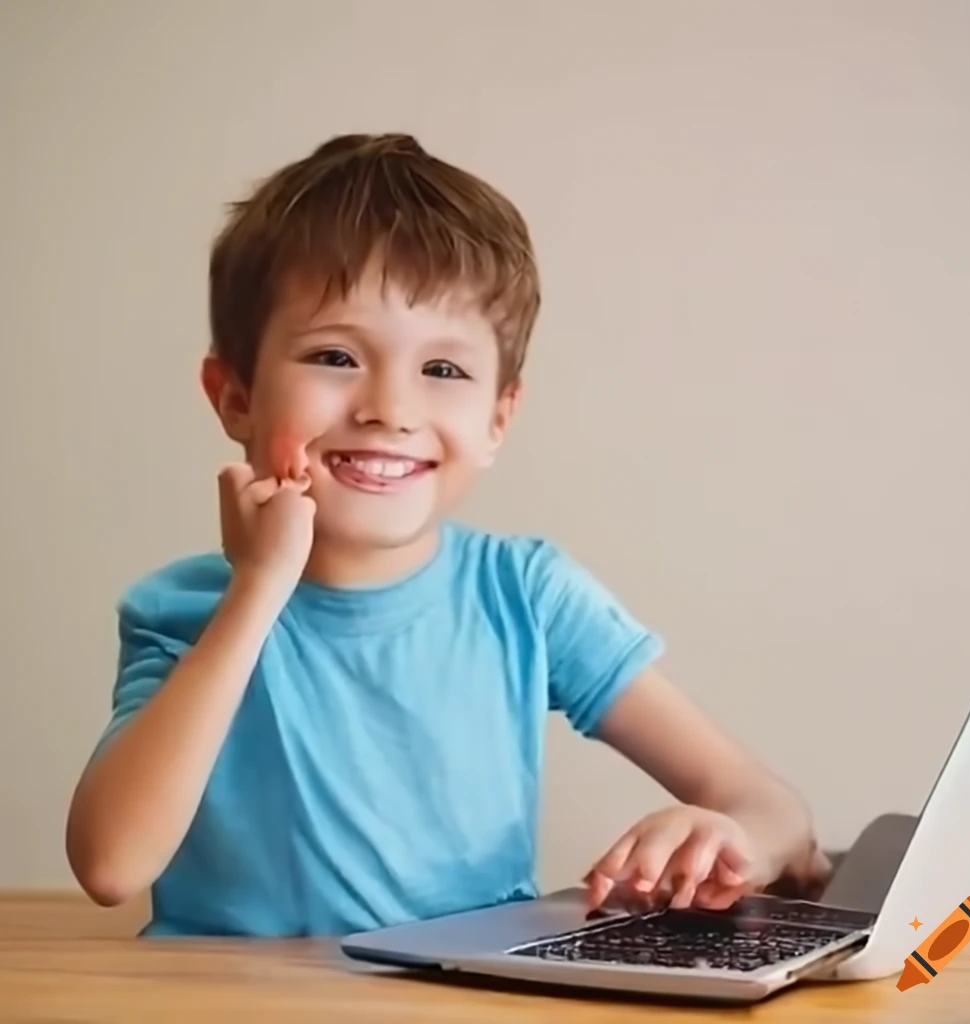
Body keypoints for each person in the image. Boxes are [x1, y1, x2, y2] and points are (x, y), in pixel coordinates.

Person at [65, 133, 831, 937]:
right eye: (335, 355)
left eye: (443, 371)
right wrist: (256, 591)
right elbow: (113, 866)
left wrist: (730, 836)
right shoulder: (181, 610)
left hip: (460, 999)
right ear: (236, 399)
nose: (390, 409)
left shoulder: (524, 594)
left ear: (499, 418)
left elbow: (777, 811)